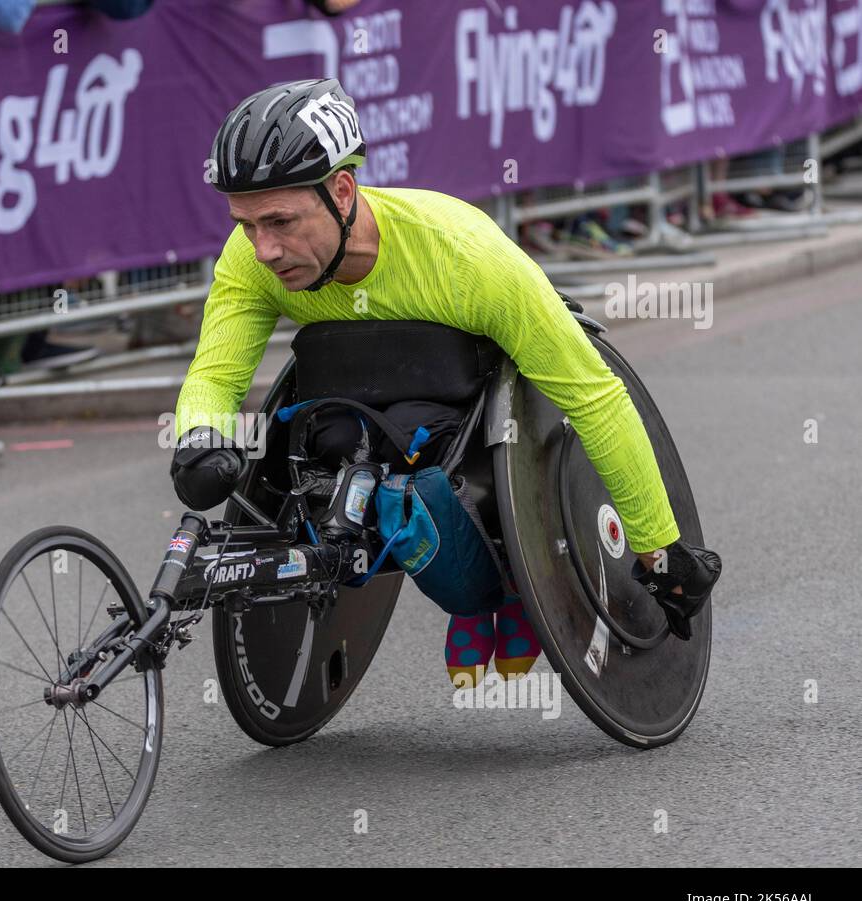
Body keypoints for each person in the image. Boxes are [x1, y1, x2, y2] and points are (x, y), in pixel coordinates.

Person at [168, 79, 722, 687]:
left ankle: (506, 580)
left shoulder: (463, 256)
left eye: (279, 221)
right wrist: (201, 435)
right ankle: (461, 583)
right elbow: (216, 374)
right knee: (322, 443)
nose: (263, 249)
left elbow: (594, 394)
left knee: (424, 472)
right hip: (365, 409)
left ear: (342, 191)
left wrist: (659, 549)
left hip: (470, 419)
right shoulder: (249, 259)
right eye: (245, 224)